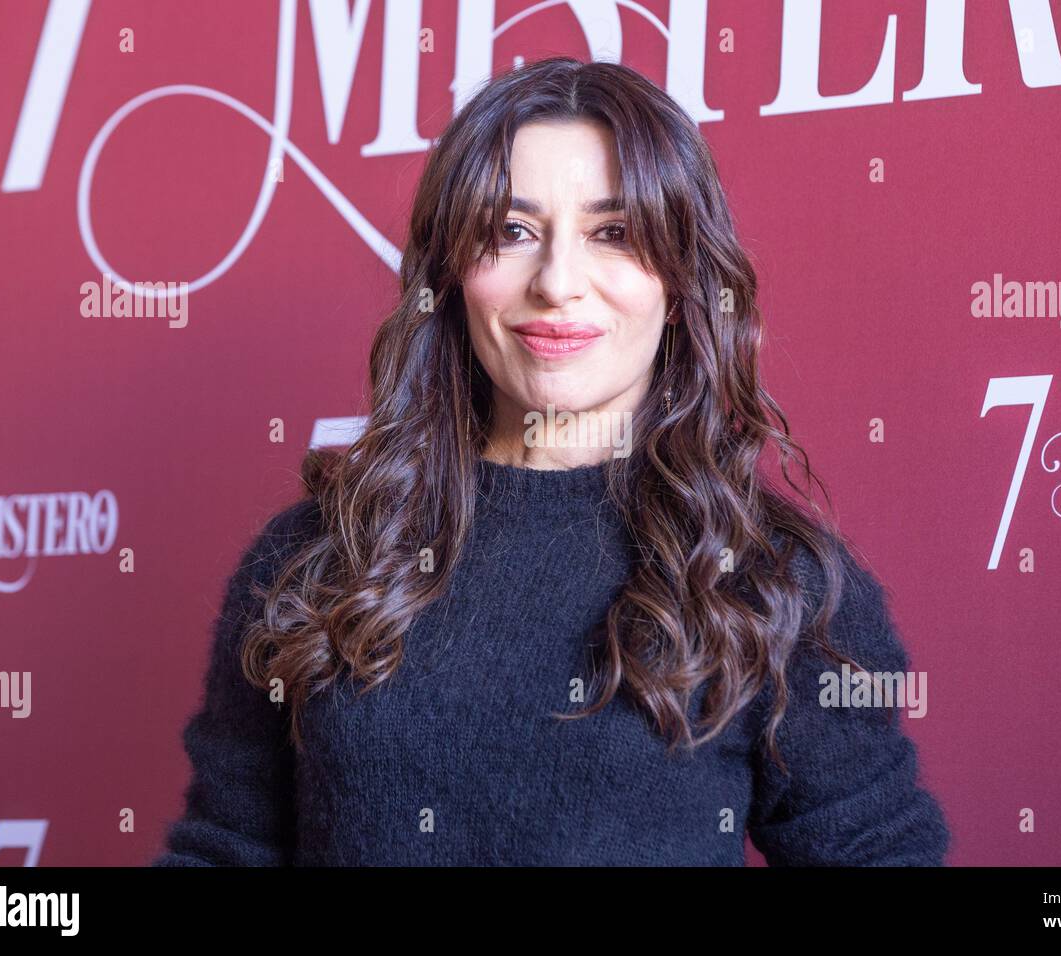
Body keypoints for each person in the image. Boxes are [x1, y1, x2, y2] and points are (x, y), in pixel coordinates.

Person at [153, 56, 950, 866]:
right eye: (512, 232)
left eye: (614, 233)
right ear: (453, 273)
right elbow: (225, 850)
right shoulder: (314, 557)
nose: (558, 283)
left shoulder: (780, 583)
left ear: (679, 282)